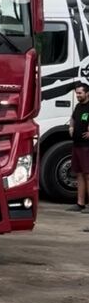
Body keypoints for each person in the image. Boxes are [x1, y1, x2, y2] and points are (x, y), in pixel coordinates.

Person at [66, 82, 89, 211]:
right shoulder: (78, 106)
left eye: (80, 93)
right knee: (79, 174)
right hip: (77, 144)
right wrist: (71, 126)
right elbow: (73, 118)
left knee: (88, 175)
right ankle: (80, 203)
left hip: (87, 146)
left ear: (87, 93)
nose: (78, 96)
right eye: (76, 93)